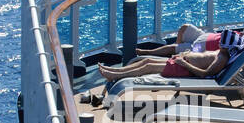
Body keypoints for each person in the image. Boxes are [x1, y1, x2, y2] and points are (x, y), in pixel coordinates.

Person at [98, 46, 229, 82]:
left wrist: (184, 63)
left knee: (148, 67)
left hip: (183, 68)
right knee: (146, 61)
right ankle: (114, 71)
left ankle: (115, 76)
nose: (220, 42)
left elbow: (204, 74)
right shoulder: (221, 52)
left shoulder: (221, 59)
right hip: (181, 61)